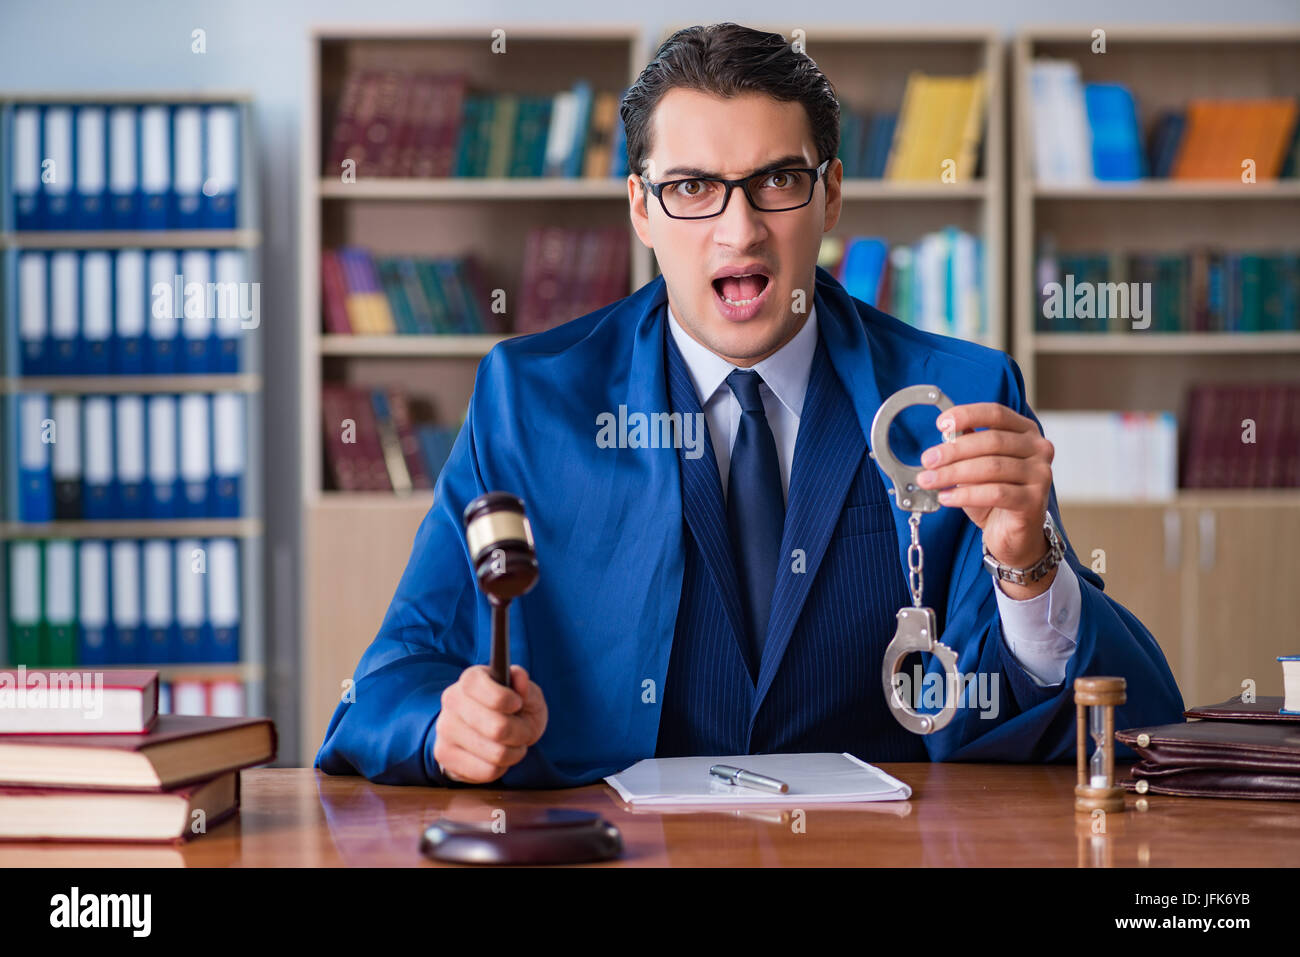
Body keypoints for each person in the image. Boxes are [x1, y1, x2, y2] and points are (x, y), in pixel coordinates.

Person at [316, 22, 1183, 787]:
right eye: (692, 188)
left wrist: (1026, 567)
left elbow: (1099, 716)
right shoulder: (528, 399)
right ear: (641, 209)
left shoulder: (958, 398)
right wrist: (446, 726)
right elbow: (394, 674)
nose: (739, 230)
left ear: (832, 193)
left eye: (776, 181)